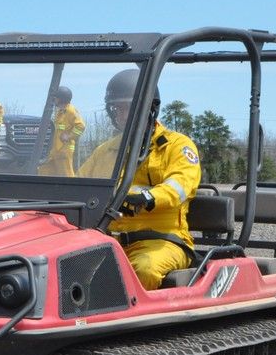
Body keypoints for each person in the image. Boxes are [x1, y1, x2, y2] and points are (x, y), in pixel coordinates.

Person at [78, 69, 202, 290]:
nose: (121, 115)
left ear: (149, 108)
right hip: (110, 239)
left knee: (143, 269)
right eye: (117, 109)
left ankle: (126, 323)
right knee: (68, 265)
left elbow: (181, 184)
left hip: (162, 241)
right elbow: (79, 184)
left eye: (127, 108)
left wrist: (147, 196)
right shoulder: (106, 150)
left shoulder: (176, 145)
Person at [37, 86, 85, 177]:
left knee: (66, 175)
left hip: (64, 150)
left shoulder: (71, 110)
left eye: (56, 98)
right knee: (44, 170)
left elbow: (81, 126)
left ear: (61, 99)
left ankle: (71, 190)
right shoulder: (60, 112)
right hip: (56, 150)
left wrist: (69, 136)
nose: (54, 100)